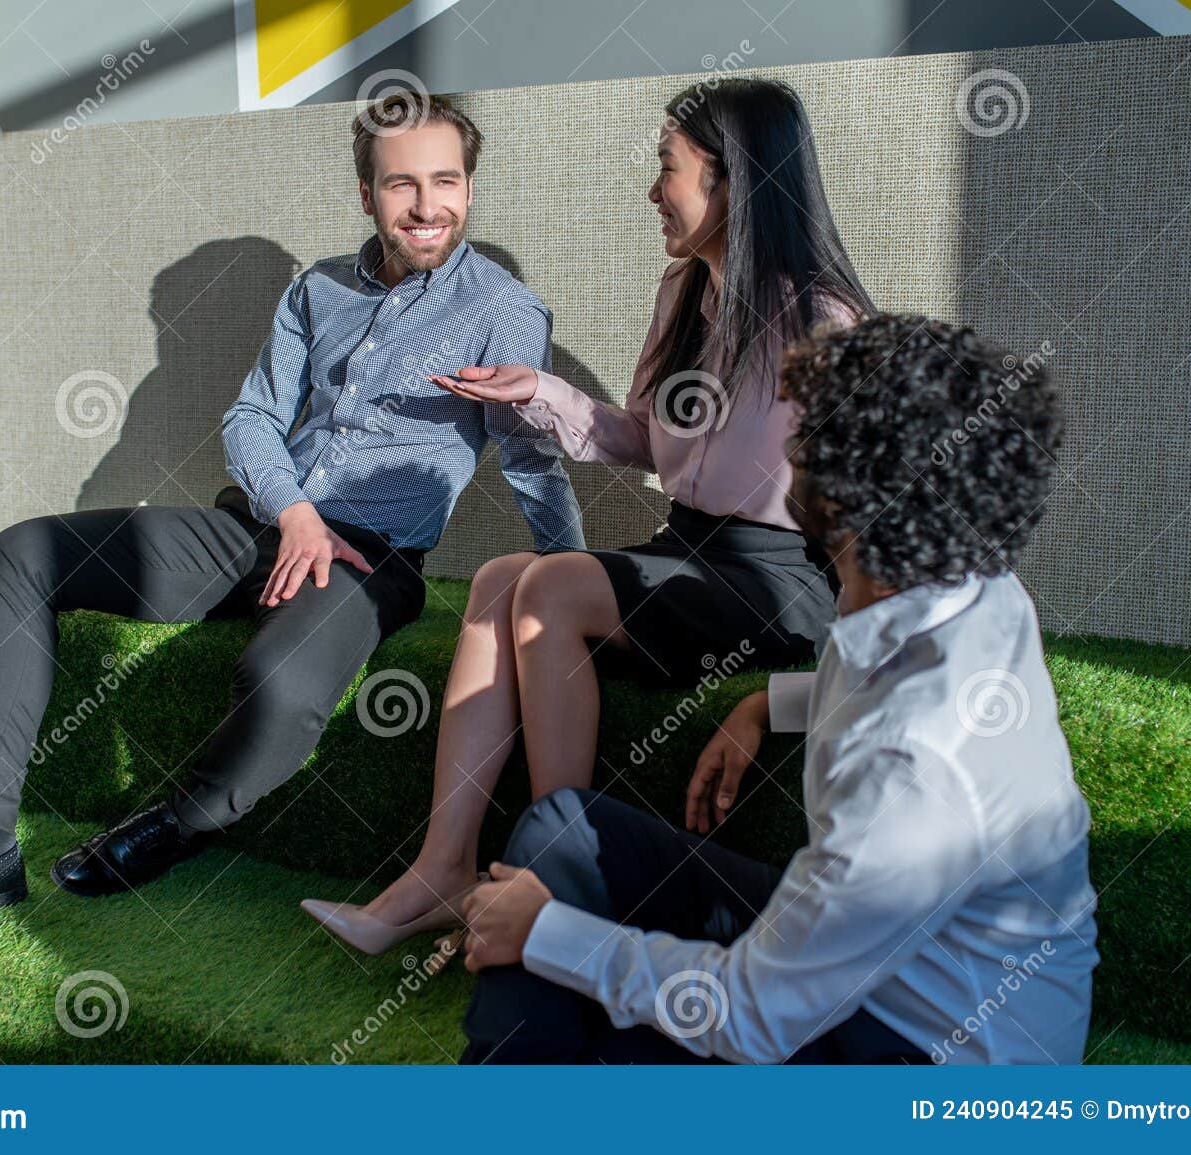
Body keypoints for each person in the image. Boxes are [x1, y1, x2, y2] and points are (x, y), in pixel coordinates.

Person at [0, 92, 584, 939]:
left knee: (278, 682)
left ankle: (176, 823)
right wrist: (291, 509)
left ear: (471, 188)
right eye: (402, 184)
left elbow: (529, 455)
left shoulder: (502, 307)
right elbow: (253, 418)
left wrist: (572, 577)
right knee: (23, 553)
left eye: (447, 181)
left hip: (370, 559)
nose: (428, 205)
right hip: (257, 527)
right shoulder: (317, 291)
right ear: (366, 193)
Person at [302, 78, 875, 954]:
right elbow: (647, 439)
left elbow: (857, 502)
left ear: (736, 182)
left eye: (669, 170)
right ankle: (443, 866)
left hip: (774, 579)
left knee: (556, 584)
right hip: (689, 552)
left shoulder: (822, 322)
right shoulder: (683, 296)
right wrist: (540, 390)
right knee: (499, 578)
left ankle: (551, 878)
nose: (654, 192)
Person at [455, 312, 1100, 1065]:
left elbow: (751, 1019)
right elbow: (878, 674)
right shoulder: (968, 578)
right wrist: (772, 702)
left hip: (922, 1055)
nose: (789, 443)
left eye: (810, 432)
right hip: (882, 966)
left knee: (572, 988)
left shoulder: (915, 765)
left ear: (850, 493)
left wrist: (546, 934)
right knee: (560, 830)